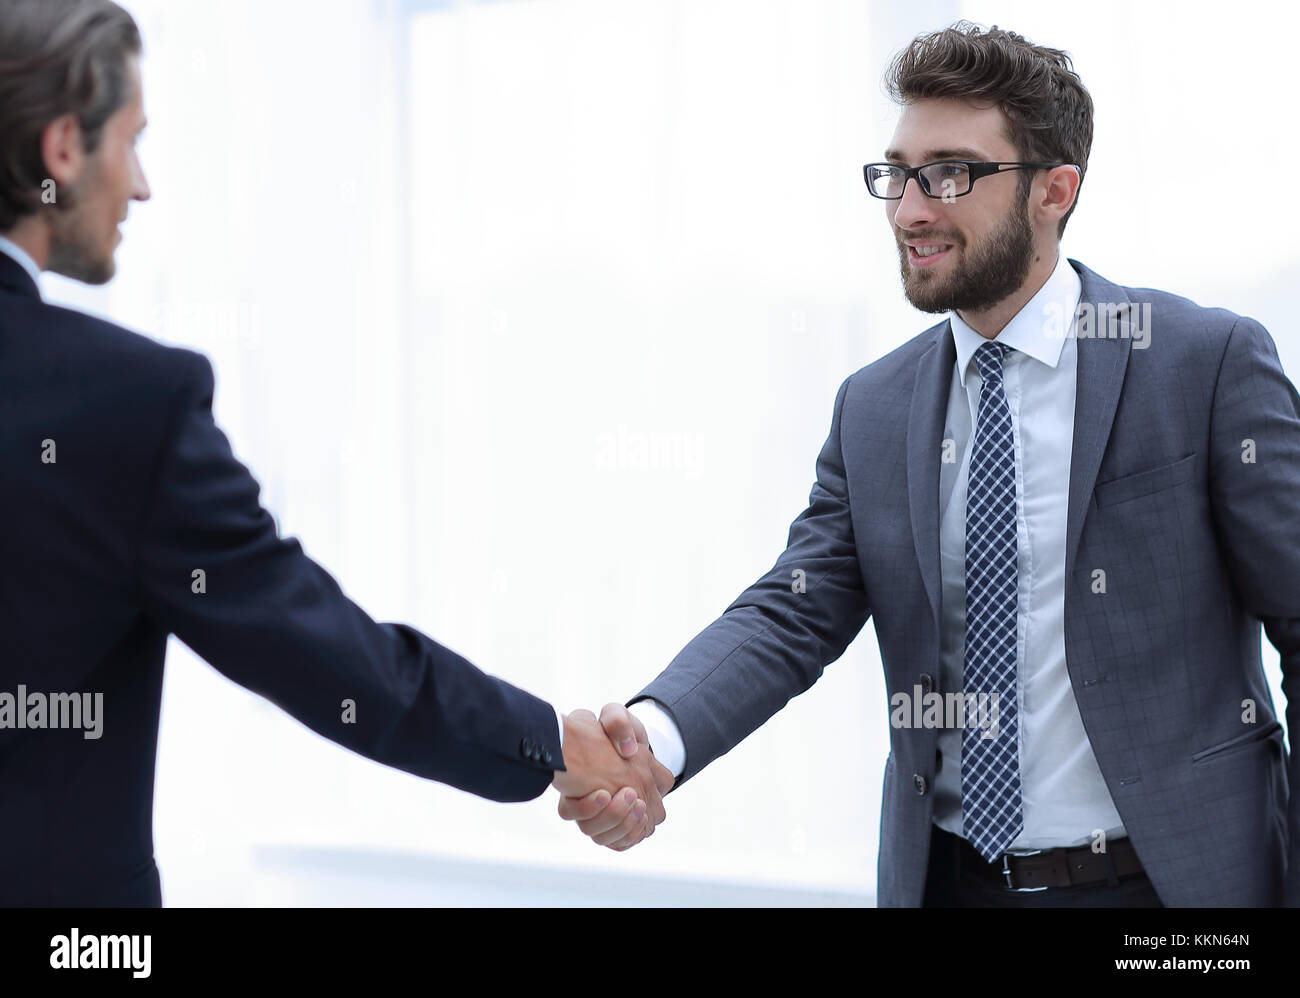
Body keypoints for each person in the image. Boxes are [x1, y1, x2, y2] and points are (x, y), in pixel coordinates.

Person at [562, 21, 1299, 907]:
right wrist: (653, 742)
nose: (910, 209)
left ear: (1053, 191)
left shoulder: (1200, 362)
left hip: (1168, 891)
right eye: (897, 173)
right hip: (949, 883)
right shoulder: (874, 406)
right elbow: (789, 614)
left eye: (950, 173)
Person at [0, 0, 670, 906]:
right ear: (62, 151)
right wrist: (552, 743)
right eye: (132, 140)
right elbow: (321, 652)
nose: (144, 186)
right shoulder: (124, 401)